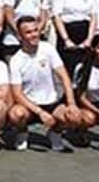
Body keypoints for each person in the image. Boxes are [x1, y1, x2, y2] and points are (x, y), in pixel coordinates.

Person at [6, 17, 85, 152]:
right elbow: (17, 94)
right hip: (29, 105)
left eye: (36, 30)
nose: (34, 34)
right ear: (20, 36)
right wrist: (40, 112)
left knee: (75, 118)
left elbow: (64, 77)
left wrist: (71, 103)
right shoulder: (16, 60)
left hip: (53, 102)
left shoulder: (48, 48)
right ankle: (22, 133)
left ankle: (55, 132)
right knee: (16, 114)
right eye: (29, 32)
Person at [52, 0, 97, 75]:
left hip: (84, 33)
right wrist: (66, 39)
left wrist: (89, 39)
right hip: (67, 32)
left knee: (83, 74)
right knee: (68, 73)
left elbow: (93, 17)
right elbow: (57, 16)